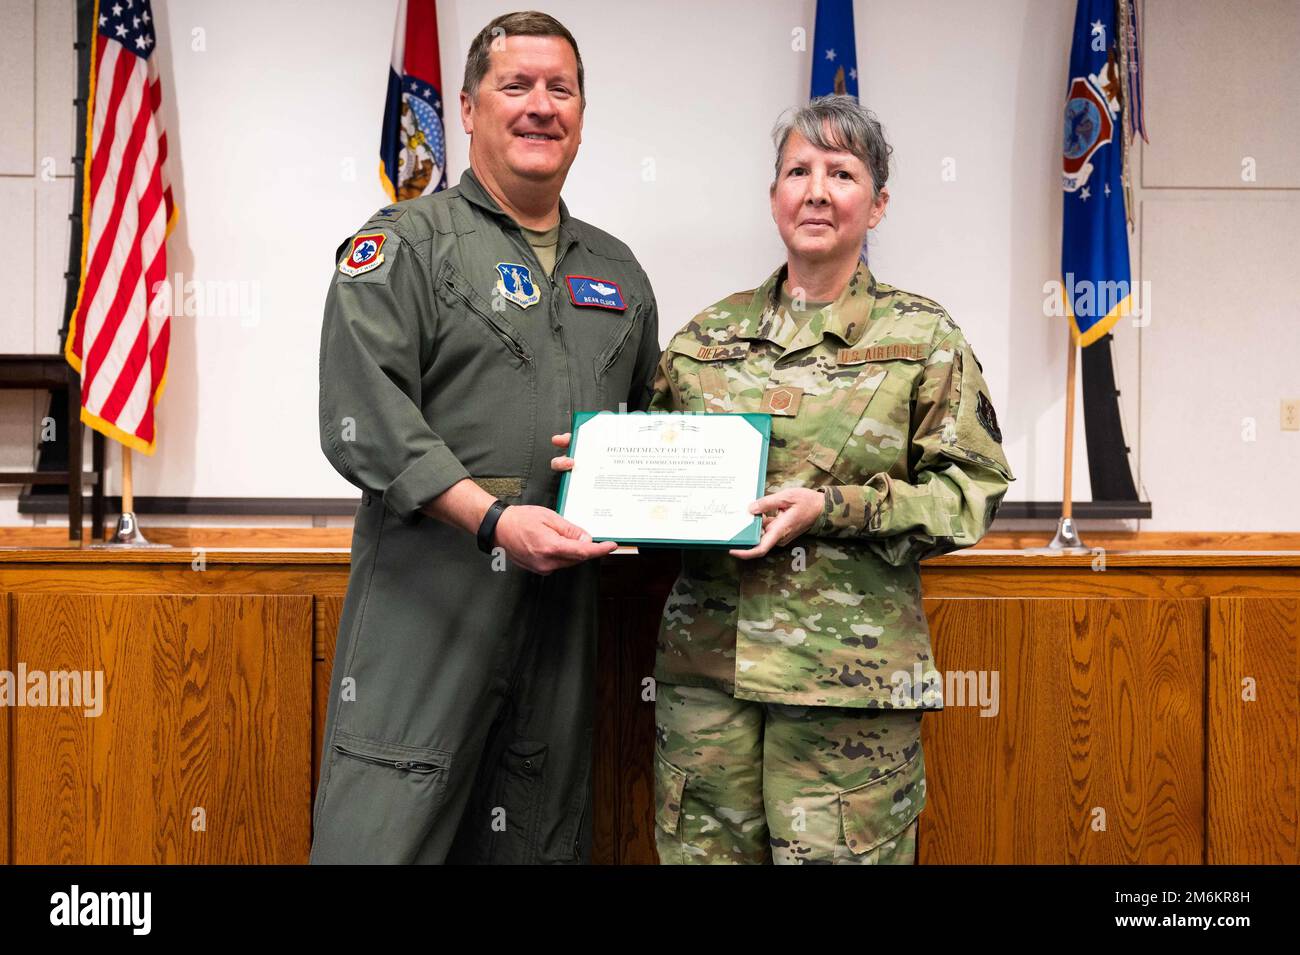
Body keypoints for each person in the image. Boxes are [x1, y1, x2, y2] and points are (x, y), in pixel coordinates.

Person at [555, 94, 1014, 864]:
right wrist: (600, 477)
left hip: (849, 697)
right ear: (774, 196)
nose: (817, 190)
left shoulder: (924, 338)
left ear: (878, 203)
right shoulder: (707, 338)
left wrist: (833, 507)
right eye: (798, 170)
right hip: (708, 687)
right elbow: (656, 480)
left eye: (842, 172)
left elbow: (969, 493)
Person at [310, 11, 661, 864]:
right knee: (381, 838)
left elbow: (652, 430)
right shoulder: (401, 246)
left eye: (560, 88)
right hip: (426, 621)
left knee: (540, 840)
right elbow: (361, 420)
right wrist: (495, 520)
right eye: (516, 86)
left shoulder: (617, 272)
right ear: (465, 109)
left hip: (563, 631)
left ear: (581, 112)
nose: (541, 106)